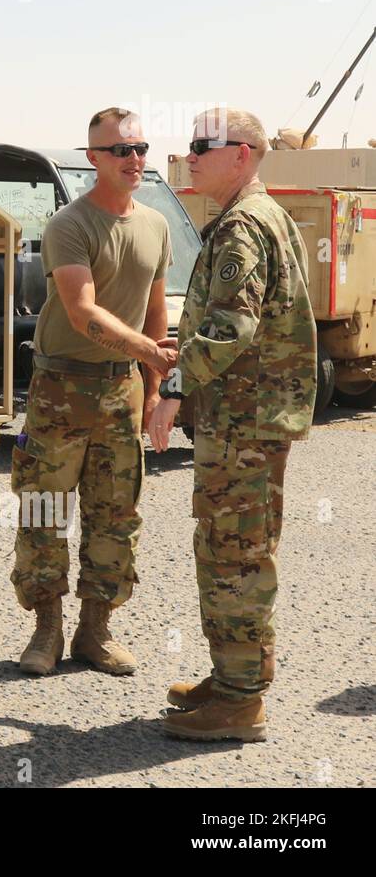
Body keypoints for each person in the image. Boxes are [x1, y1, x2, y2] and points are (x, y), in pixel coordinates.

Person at [149, 109, 315, 742]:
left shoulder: (244, 224)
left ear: (242, 154)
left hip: (242, 424)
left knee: (233, 557)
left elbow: (229, 328)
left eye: (202, 146)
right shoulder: (258, 215)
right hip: (250, 420)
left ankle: (241, 701)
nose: (189, 156)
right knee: (238, 549)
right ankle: (233, 678)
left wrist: (175, 390)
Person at [11, 108, 176, 676]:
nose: (134, 159)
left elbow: (157, 311)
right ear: (93, 160)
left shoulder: (155, 224)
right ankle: (46, 631)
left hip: (122, 390)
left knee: (115, 513)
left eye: (139, 148)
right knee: (44, 508)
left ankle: (95, 631)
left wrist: (155, 391)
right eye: (120, 151)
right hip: (61, 387)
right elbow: (83, 313)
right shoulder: (70, 224)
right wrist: (151, 354)